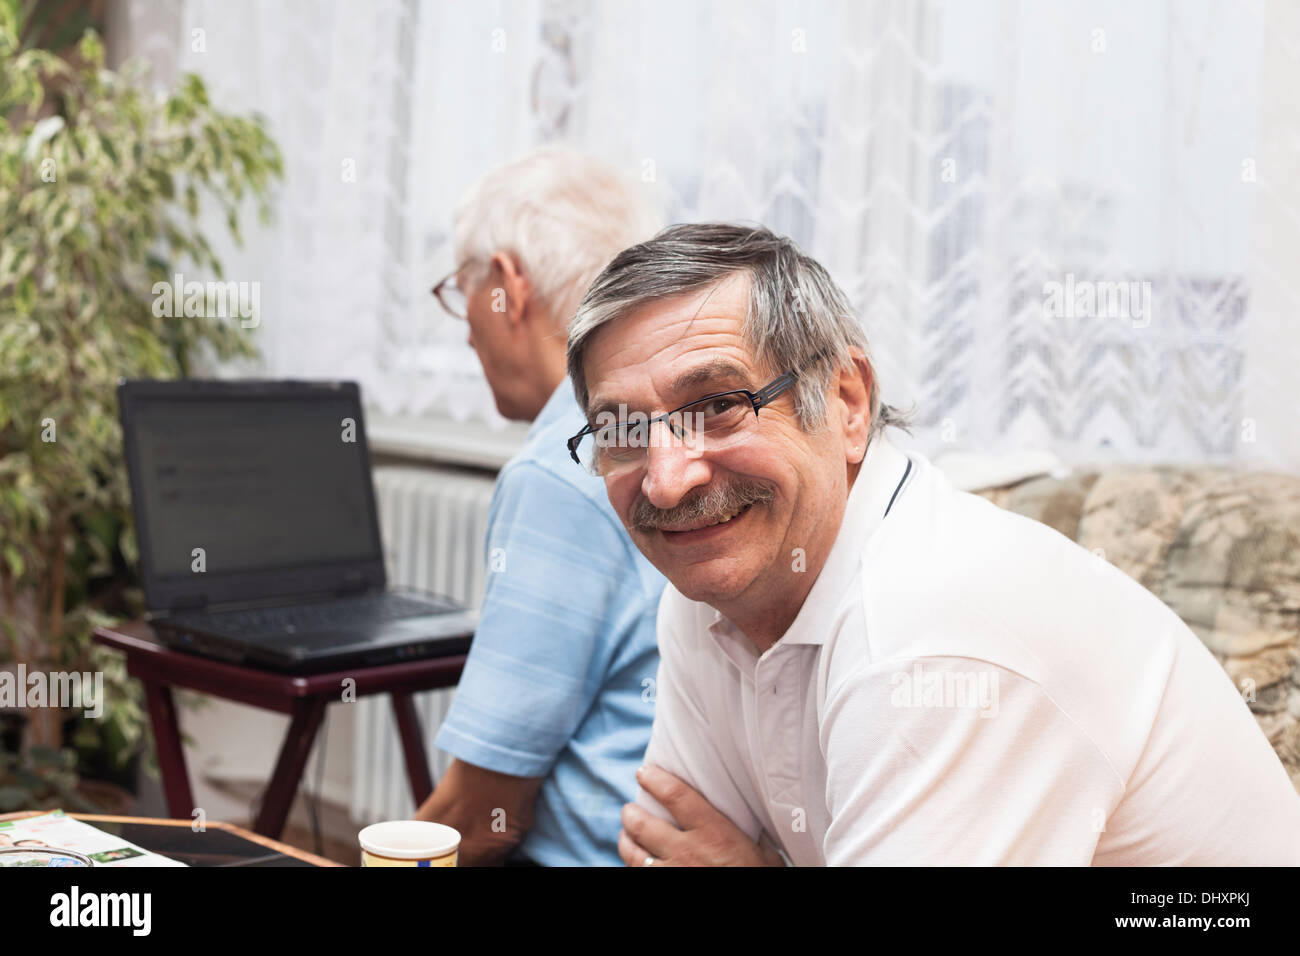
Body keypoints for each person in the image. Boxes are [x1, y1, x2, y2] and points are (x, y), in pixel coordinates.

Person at [563, 222, 1300, 865]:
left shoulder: (933, 628)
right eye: (621, 431)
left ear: (848, 402)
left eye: (719, 405)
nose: (665, 482)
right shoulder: (711, 592)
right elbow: (674, 849)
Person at [415, 146, 665, 866]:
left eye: (459, 290)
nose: (464, 325)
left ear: (507, 285)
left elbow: (484, 815)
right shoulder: (674, 437)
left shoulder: (566, 468)